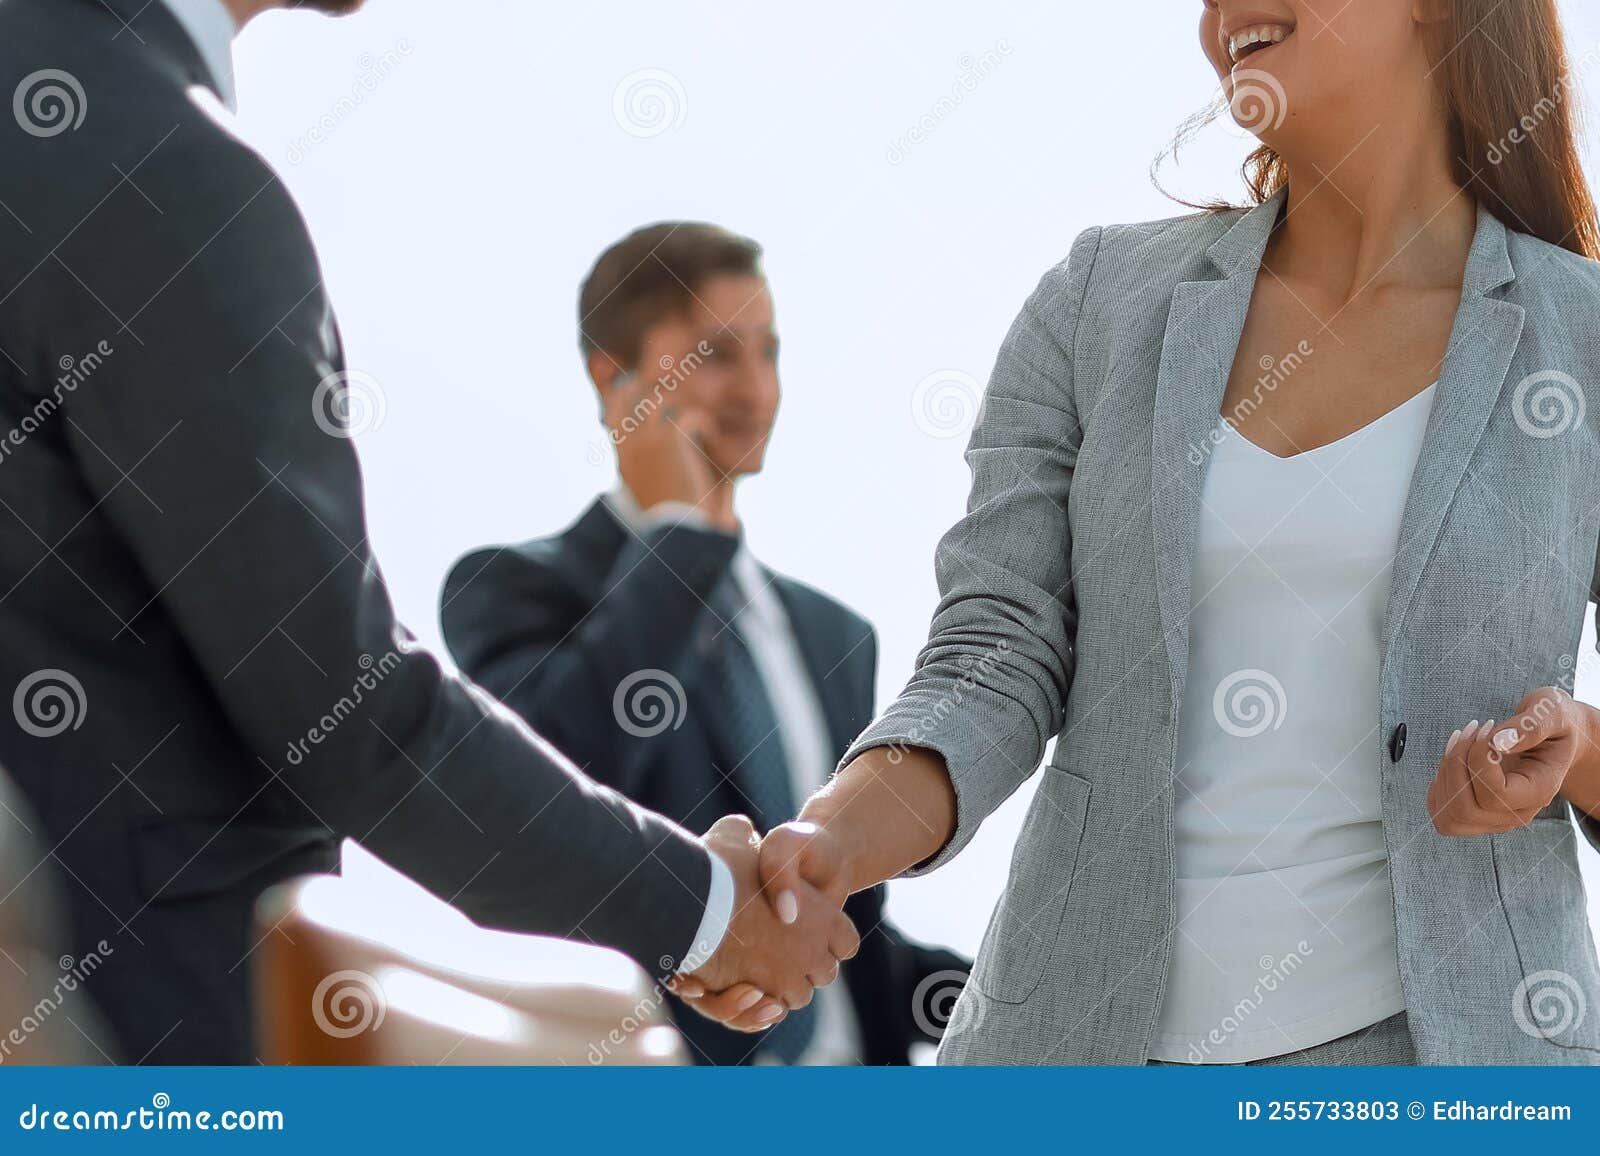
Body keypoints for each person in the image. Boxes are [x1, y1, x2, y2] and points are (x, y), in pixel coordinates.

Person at [749, 0, 1600, 1065]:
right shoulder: (1097, 302)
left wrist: (1573, 746)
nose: (1219, 11)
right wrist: (829, 840)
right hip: (1070, 1053)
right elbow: (992, 658)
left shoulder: (1581, 338)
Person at [0, 0, 850, 1063]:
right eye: (712, 352)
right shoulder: (164, 167)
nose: (750, 386)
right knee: (617, 1063)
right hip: (143, 1023)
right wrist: (709, 910)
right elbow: (343, 714)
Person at [441, 222, 970, 1064]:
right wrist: (680, 538)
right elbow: (541, 804)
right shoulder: (511, 588)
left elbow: (845, 938)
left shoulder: (835, 635)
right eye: (717, 354)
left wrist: (1029, 990)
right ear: (613, 381)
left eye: (770, 351)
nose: (756, 387)